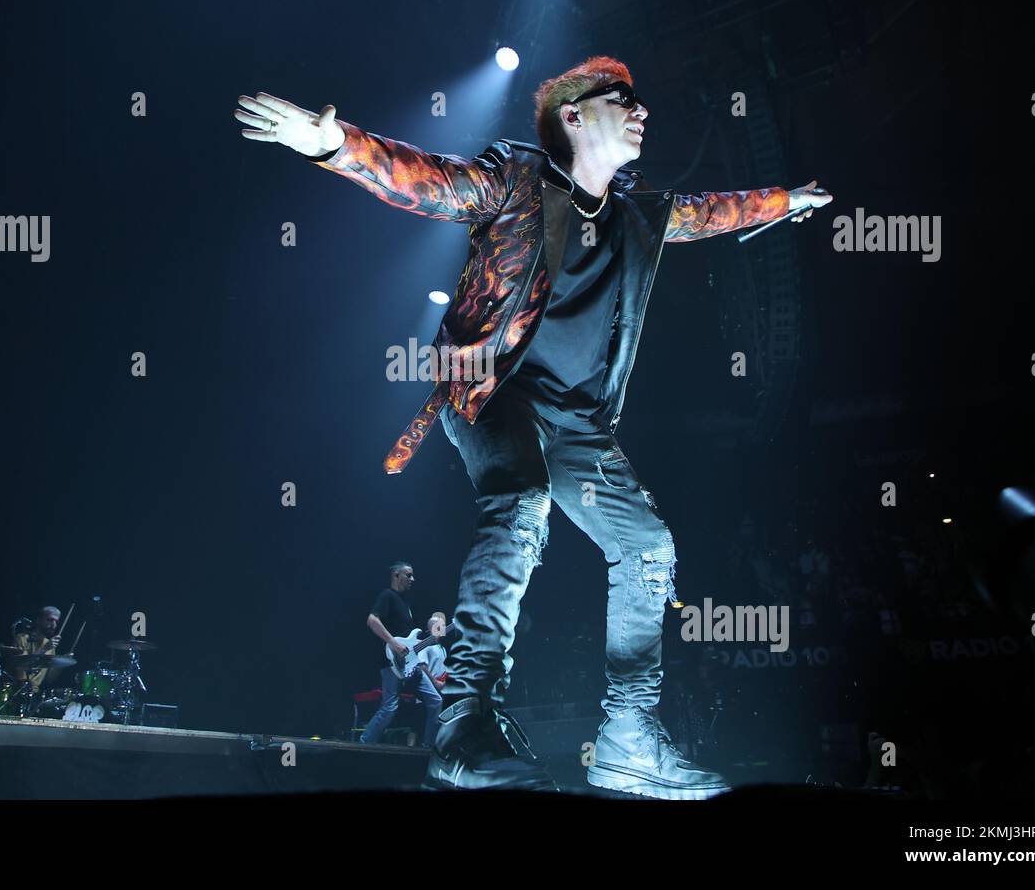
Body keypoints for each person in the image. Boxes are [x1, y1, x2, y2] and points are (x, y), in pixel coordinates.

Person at [236, 55, 832, 796]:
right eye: (625, 99)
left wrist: (786, 198)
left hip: (578, 418)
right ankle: (465, 725)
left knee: (647, 545)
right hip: (491, 388)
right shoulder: (516, 177)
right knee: (519, 501)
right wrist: (334, 145)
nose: (644, 110)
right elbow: (433, 182)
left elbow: (711, 211)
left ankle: (627, 738)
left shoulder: (639, 210)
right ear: (575, 116)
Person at [361, 564, 443, 747]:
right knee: (390, 707)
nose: (413, 579)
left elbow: (411, 638)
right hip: (391, 662)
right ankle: (364, 743)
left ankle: (428, 748)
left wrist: (432, 638)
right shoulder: (387, 596)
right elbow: (372, 621)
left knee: (435, 701)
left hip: (411, 663)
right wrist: (394, 643)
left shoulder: (406, 603)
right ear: (396, 575)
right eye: (409, 575)